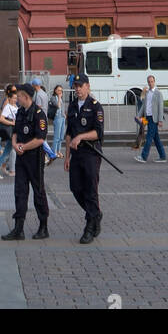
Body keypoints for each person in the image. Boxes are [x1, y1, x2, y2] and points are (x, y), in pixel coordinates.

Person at [2, 84, 50, 241]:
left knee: (38, 192)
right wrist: (15, 144)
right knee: (20, 192)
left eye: (19, 96)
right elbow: (15, 131)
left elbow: (40, 138)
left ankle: (43, 227)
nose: (17, 98)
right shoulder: (21, 112)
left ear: (26, 97)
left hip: (35, 157)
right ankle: (18, 228)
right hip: (22, 158)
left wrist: (24, 146)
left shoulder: (39, 114)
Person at [64, 73, 104, 244]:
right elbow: (68, 133)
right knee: (75, 187)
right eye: (76, 86)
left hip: (91, 153)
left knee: (90, 189)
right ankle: (96, 214)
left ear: (88, 86)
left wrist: (81, 137)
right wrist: (66, 156)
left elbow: (98, 133)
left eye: (81, 86)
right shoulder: (72, 106)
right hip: (76, 154)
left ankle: (89, 225)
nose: (78, 89)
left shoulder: (96, 107)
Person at [137, 75, 167, 163]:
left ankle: (143, 156)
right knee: (156, 138)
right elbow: (144, 105)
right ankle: (163, 156)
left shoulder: (158, 93)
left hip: (155, 118)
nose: (150, 83)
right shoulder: (147, 92)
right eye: (149, 82)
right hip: (148, 117)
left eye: (152, 81)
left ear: (154, 82)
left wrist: (160, 120)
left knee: (149, 137)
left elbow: (161, 107)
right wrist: (139, 115)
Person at [0, 85, 18, 179]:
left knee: (7, 152)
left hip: (14, 132)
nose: (16, 99)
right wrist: (12, 123)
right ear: (9, 98)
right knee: (7, 152)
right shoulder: (8, 106)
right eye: (14, 98)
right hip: (11, 132)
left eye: (16, 98)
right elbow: (1, 119)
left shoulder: (14, 106)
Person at [49, 84, 67, 158]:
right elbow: (58, 106)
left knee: (61, 136)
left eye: (61, 90)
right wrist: (59, 97)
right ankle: (54, 152)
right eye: (58, 90)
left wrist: (64, 115)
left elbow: (62, 108)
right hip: (57, 118)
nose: (60, 92)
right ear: (55, 90)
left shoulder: (61, 98)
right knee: (56, 136)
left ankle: (59, 151)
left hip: (62, 117)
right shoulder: (53, 98)